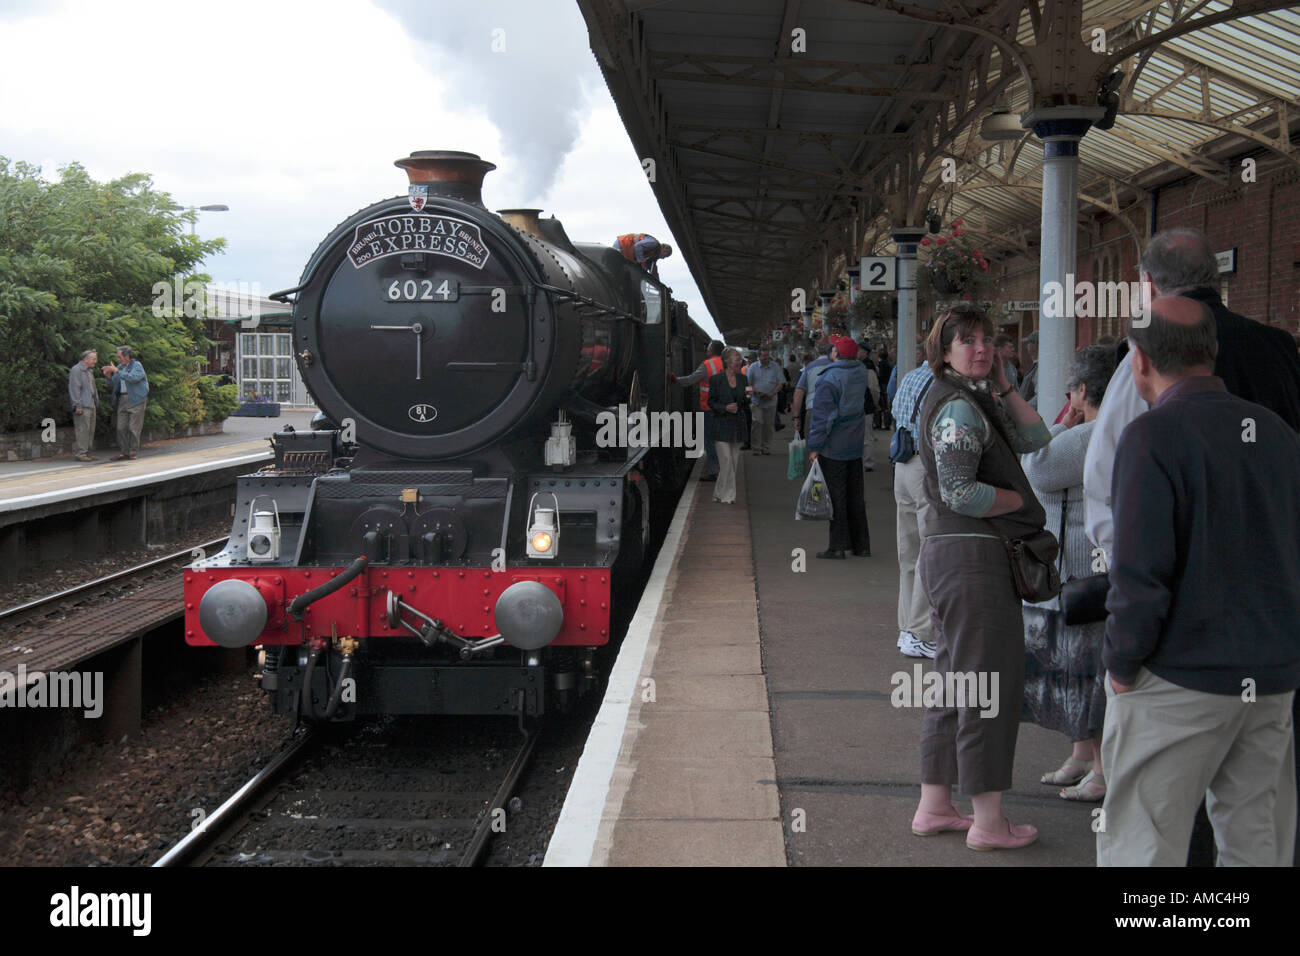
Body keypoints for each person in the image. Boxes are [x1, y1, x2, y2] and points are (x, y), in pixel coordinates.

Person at [1097, 296, 1300, 867]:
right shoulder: (1278, 433)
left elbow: (1140, 574)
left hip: (1180, 675)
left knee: (1144, 843)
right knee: (1255, 838)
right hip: (1271, 677)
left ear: (1138, 361)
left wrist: (1120, 664)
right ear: (1210, 353)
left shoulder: (1151, 437)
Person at [911, 304, 1051, 850]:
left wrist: (1004, 383)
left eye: (986, 339)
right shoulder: (958, 410)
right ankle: (990, 823)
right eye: (965, 340)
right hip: (973, 561)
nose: (980, 347)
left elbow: (1038, 439)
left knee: (954, 681)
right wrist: (1019, 501)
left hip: (955, 560)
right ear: (942, 351)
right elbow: (960, 493)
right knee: (988, 685)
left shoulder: (975, 399)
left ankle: (936, 805)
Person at [1020, 345, 1116, 803]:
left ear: (1080, 390)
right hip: (1089, 568)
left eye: (1070, 389)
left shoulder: (1087, 435)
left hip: (1080, 569)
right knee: (1080, 672)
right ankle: (1082, 755)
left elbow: (1035, 468)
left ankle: (1100, 769)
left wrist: (1060, 423)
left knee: (1086, 671)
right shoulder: (1114, 428)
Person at [890, 351, 936, 660]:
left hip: (902, 466)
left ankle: (906, 628)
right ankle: (921, 632)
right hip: (924, 467)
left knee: (908, 553)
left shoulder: (910, 377)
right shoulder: (942, 384)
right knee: (928, 550)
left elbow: (895, 411)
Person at [806, 337, 870, 559]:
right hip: (855, 443)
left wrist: (814, 447)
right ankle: (861, 545)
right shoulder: (860, 371)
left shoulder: (830, 379)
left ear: (835, 354)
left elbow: (822, 418)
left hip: (834, 446)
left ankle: (838, 547)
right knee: (856, 495)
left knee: (836, 497)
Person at [675, 340, 725, 481]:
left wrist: (675, 379)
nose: (706, 351)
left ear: (711, 351)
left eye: (708, 348)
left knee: (710, 440)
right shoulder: (728, 363)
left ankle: (714, 471)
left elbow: (691, 380)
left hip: (709, 409)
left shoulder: (707, 365)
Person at [706, 347, 748, 504]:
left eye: (739, 358)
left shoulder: (743, 379)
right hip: (721, 425)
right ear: (727, 362)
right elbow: (711, 402)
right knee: (726, 462)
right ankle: (729, 496)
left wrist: (747, 398)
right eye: (736, 358)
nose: (739, 361)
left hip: (737, 426)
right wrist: (725, 408)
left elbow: (744, 402)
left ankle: (718, 493)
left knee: (734, 463)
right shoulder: (716, 380)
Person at [102, 345, 148, 461]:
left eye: (120, 356)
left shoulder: (137, 365)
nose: (118, 359)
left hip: (136, 399)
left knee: (134, 428)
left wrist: (117, 371)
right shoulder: (119, 367)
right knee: (120, 428)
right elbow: (114, 384)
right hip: (122, 399)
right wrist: (108, 377)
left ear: (127, 356)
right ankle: (124, 452)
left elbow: (133, 378)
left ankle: (133, 452)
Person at [745, 343, 783, 455]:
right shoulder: (753, 368)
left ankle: (766, 447)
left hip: (771, 401)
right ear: (759, 357)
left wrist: (773, 393)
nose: (766, 358)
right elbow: (748, 384)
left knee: (769, 425)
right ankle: (756, 447)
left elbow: (781, 383)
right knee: (757, 422)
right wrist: (751, 395)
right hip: (756, 401)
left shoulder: (775, 367)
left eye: (767, 356)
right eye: (764, 356)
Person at [791, 340, 833, 439]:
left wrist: (796, 417)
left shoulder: (809, 367)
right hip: (833, 409)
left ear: (817, 351)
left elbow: (798, 392)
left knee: (812, 441)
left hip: (813, 407)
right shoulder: (837, 365)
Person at [67, 349, 99, 462]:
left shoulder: (89, 371)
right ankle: (81, 453)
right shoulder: (77, 370)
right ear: (86, 359)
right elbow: (74, 389)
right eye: (93, 359)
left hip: (91, 404)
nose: (95, 361)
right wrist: (77, 405)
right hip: (83, 405)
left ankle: (87, 452)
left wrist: (96, 401)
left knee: (90, 430)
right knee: (83, 430)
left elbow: (92, 388)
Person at [1017, 331, 1039, 409]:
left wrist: (1023, 408)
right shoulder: (1035, 366)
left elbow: (1039, 397)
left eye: (1029, 342)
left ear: (1036, 345)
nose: (1027, 346)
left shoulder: (1040, 368)